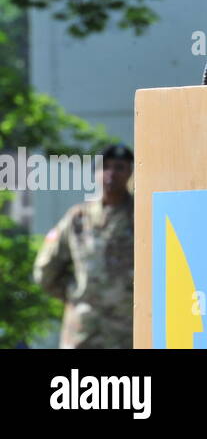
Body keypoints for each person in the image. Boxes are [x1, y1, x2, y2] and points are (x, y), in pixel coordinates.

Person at [33, 143, 135, 348]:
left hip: (127, 332)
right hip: (82, 332)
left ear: (130, 172)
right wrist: (76, 296)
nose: (111, 174)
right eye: (105, 167)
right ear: (96, 172)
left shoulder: (142, 217)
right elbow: (45, 271)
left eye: (119, 167)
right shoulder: (78, 218)